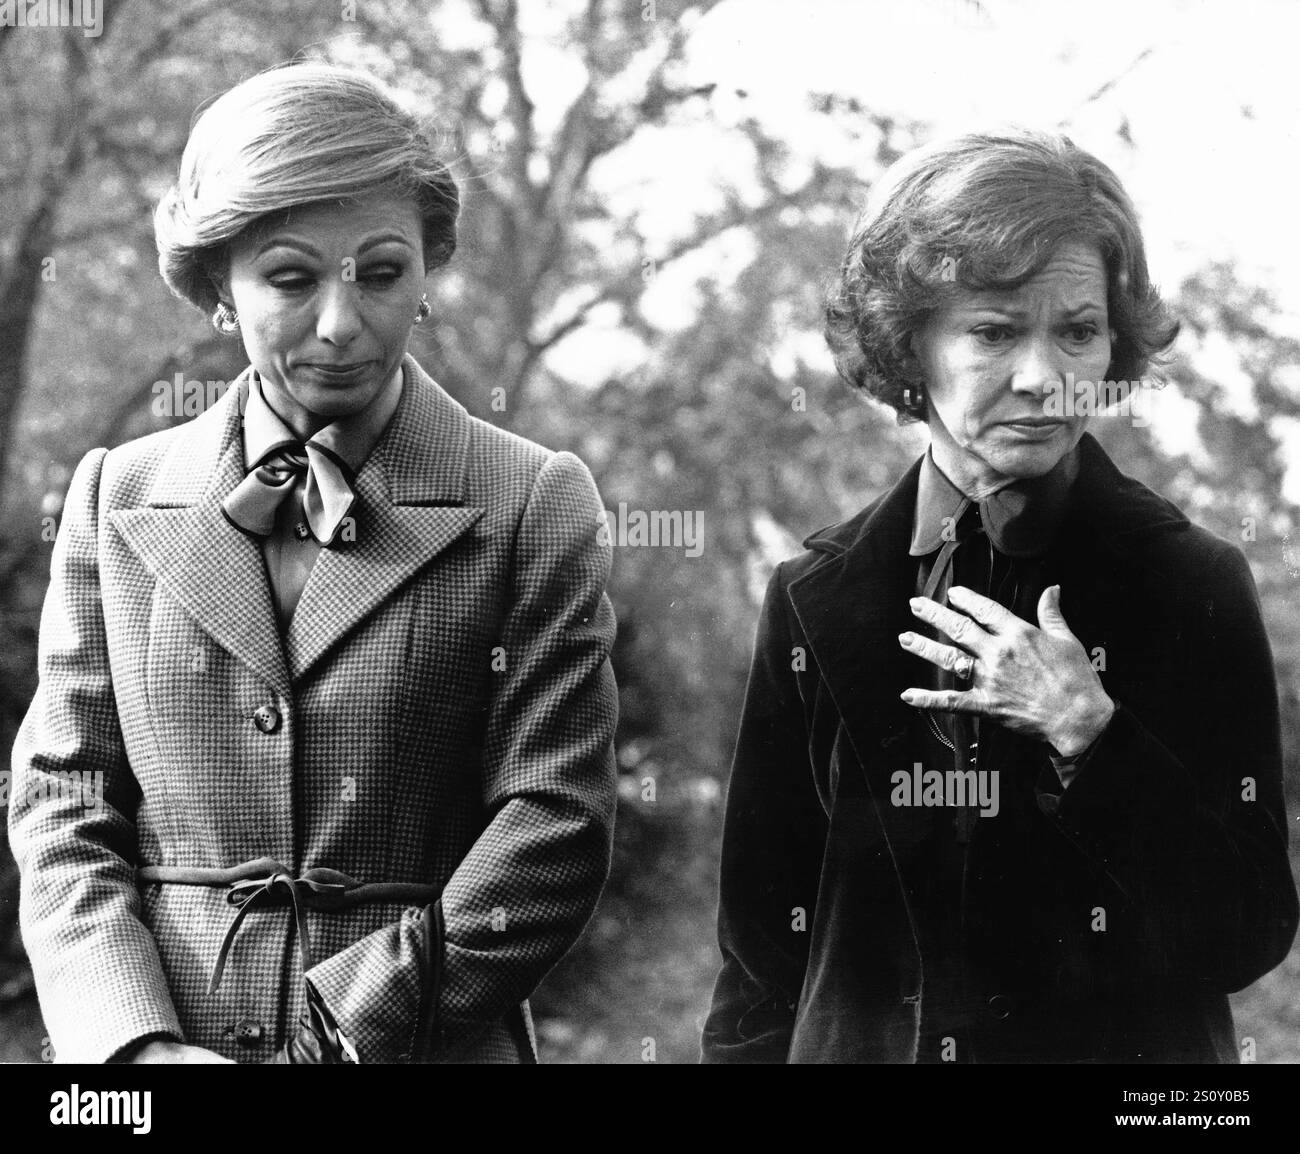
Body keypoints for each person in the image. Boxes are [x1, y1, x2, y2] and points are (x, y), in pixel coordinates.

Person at [9, 61, 618, 1064]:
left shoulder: (527, 499)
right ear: (216, 289)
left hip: (423, 1041)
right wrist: (132, 1047)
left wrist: (344, 1033)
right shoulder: (115, 494)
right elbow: (64, 804)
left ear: (426, 276)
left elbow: (551, 824)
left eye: (381, 273)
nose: (341, 324)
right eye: (290, 278)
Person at [701, 129, 1298, 1063]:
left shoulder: (1192, 582)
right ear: (910, 346)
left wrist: (1091, 738)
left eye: (1076, 330)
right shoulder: (813, 596)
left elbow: (1247, 930)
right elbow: (757, 961)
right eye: (991, 331)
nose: (1043, 378)